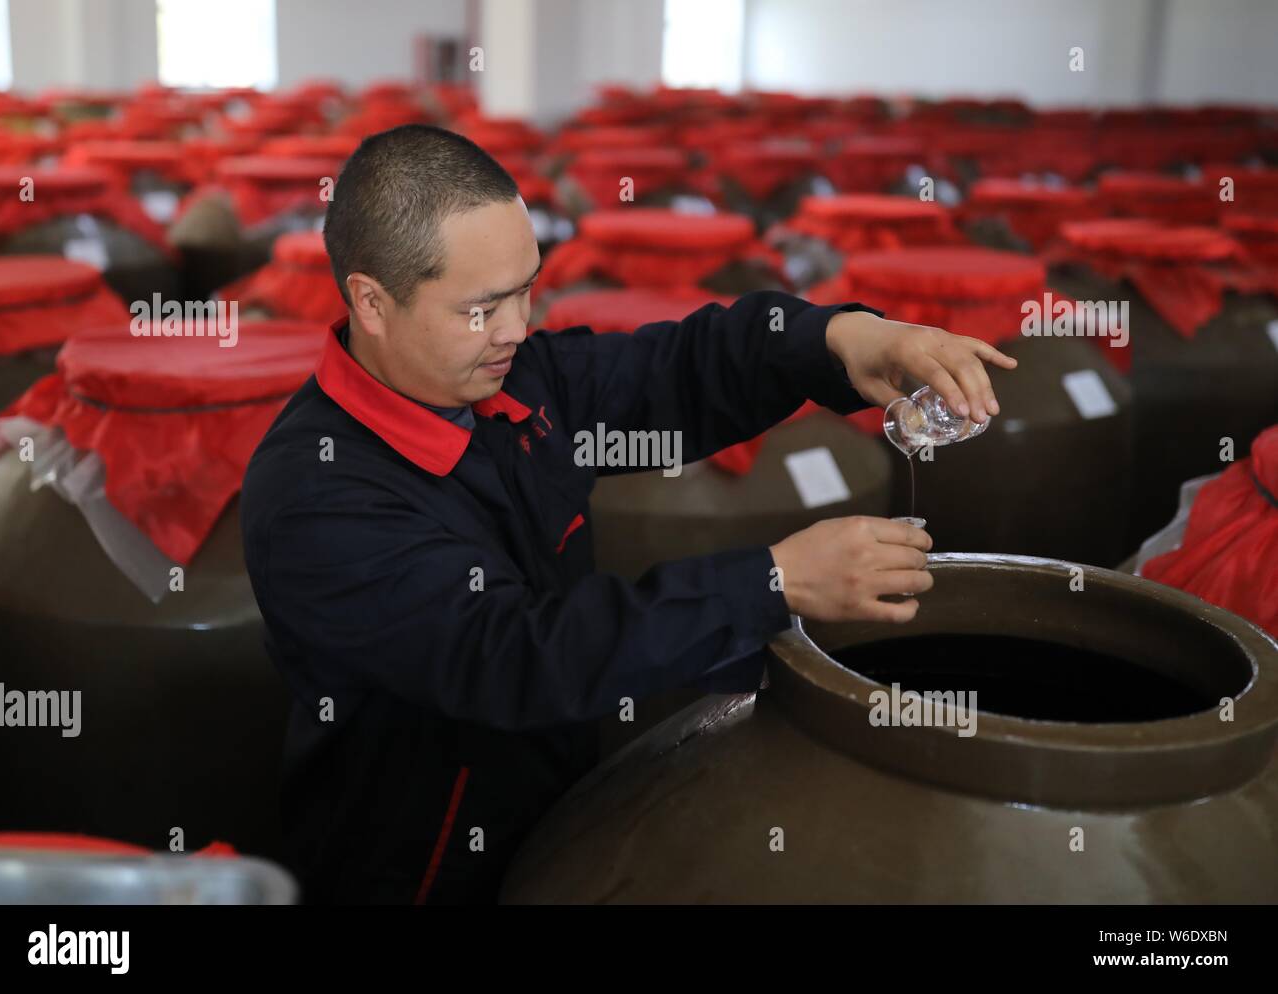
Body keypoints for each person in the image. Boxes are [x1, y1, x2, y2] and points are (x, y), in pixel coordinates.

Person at [240, 124, 1014, 904]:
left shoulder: (516, 387)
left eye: (526, 289)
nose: (516, 328)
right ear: (371, 302)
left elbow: (674, 371)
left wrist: (845, 337)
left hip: (557, 821)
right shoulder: (317, 496)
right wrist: (772, 583)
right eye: (482, 307)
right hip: (416, 871)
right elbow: (512, 654)